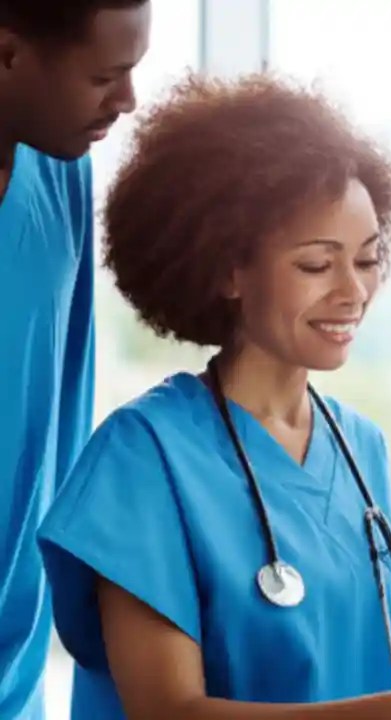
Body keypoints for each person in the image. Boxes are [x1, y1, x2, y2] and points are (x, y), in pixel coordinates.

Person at [36, 73, 391, 720]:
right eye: (317, 265)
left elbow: (363, 677)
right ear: (227, 269)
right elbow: (169, 712)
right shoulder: (143, 459)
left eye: (368, 259)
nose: (353, 292)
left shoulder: (359, 448)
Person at [0, 1, 150, 717]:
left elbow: (60, 391)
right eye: (106, 76)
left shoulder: (62, 173)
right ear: (6, 53)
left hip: (16, 668)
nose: (127, 100)